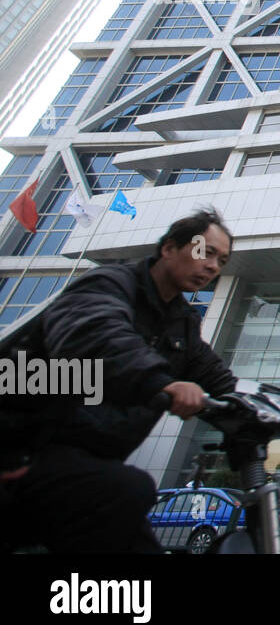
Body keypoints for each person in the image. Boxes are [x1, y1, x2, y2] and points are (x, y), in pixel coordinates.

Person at [0, 208, 239, 553]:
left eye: (223, 260)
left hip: (82, 465)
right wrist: (162, 383)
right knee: (129, 489)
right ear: (169, 247)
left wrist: (255, 407)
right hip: (22, 451)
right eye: (206, 252)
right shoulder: (109, 284)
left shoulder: (182, 324)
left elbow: (214, 375)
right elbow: (95, 336)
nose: (214, 266)